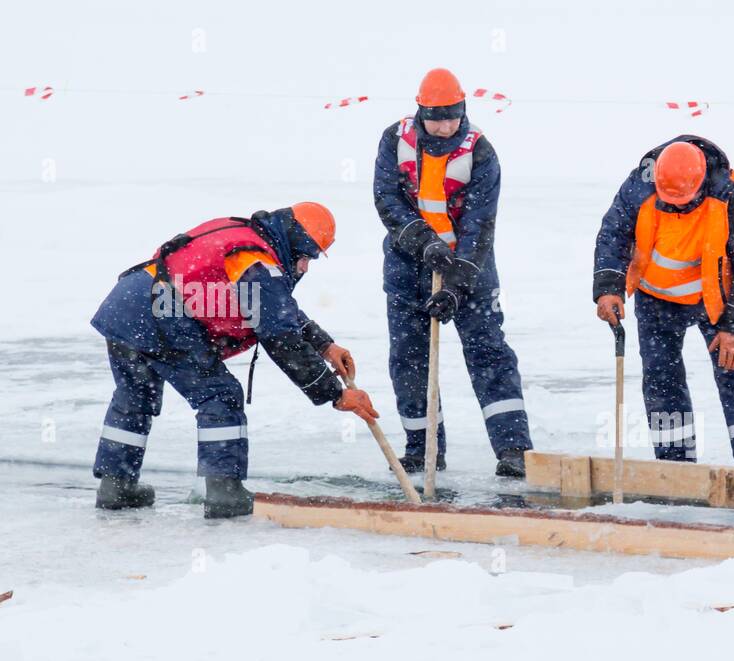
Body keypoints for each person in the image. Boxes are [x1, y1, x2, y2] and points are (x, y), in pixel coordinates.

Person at [90, 203, 378, 518]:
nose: (306, 268)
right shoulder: (255, 261)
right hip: (162, 315)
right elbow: (280, 336)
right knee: (220, 394)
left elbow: (275, 308)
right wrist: (334, 394)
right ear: (293, 241)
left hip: (127, 304)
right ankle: (224, 491)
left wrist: (324, 345)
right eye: (306, 257)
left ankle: (116, 485)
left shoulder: (253, 244)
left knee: (135, 396)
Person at [373, 67, 533, 478]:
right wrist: (422, 242)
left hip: (469, 265)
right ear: (420, 112)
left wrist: (458, 285)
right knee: (409, 360)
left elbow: (481, 225)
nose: (445, 126)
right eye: (436, 116)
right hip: (409, 265)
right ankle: (423, 448)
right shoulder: (395, 140)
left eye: (453, 116)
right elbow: (387, 201)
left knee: (489, 354)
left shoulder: (481, 152)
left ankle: (514, 448)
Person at [592, 137, 734, 467]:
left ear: (702, 184)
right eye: (669, 200)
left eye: (684, 201)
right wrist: (609, 288)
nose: (676, 206)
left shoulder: (731, 198)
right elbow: (613, 235)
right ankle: (674, 466)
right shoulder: (639, 188)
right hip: (655, 298)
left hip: (713, 299)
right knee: (662, 379)